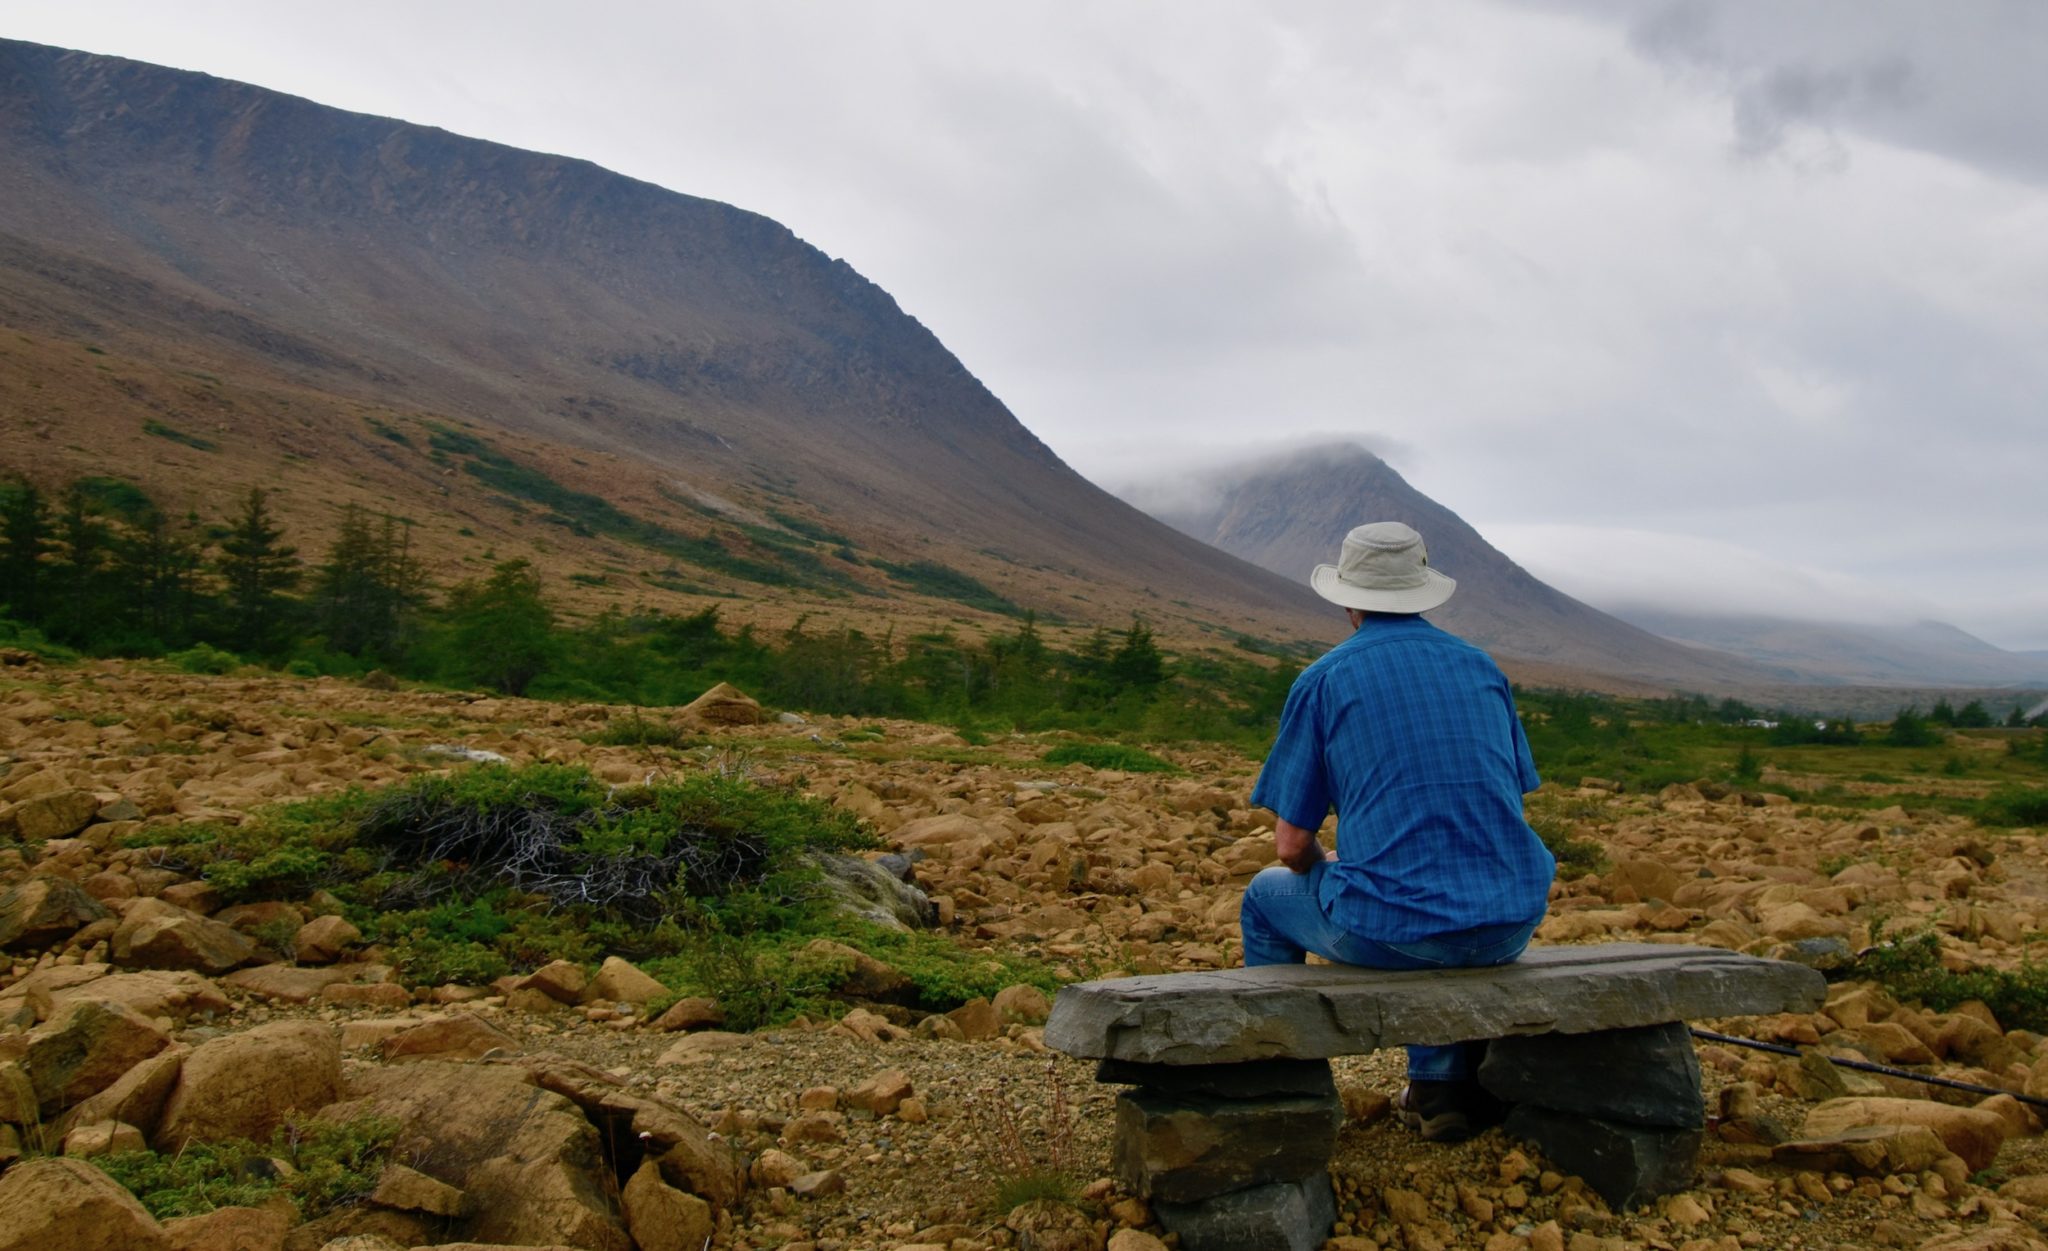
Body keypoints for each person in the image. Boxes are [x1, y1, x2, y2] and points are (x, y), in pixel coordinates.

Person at [1242, 520, 1554, 1142]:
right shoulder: (1482, 667)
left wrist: (1322, 862)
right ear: (1420, 590)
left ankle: (1277, 1086)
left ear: (1348, 597)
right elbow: (1502, 796)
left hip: (1399, 932)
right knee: (1428, 896)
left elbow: (1291, 846)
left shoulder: (1326, 679)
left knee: (1266, 897)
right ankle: (1438, 1088)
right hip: (1509, 920)